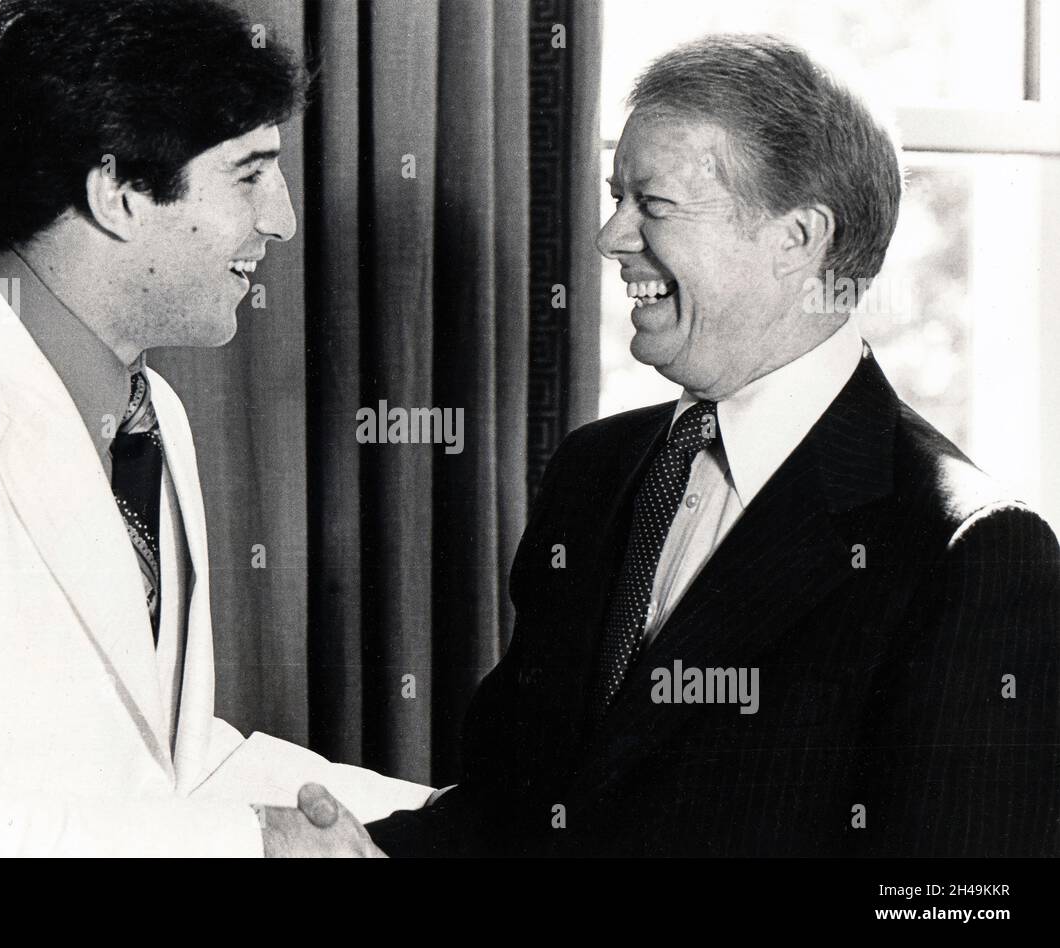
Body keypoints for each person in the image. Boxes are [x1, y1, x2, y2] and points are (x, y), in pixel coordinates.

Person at [367, 33, 1060, 857]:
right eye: (614, 198)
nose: (609, 240)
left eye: (652, 207)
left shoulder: (972, 553)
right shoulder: (594, 471)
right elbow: (509, 803)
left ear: (799, 239)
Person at [0, 0, 382, 857]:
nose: (279, 219)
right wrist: (251, 847)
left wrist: (458, 819)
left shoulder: (149, 411)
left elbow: (174, 765)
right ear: (118, 193)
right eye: (248, 175)